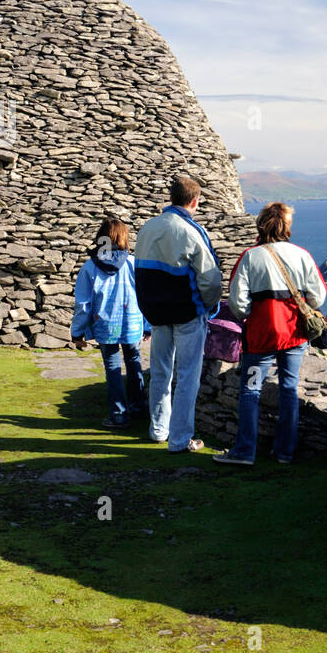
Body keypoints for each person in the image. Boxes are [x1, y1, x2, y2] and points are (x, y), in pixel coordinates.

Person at [215, 201, 326, 466]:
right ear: (287, 226)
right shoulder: (302, 255)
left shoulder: (251, 256)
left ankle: (244, 452)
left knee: (251, 390)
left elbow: (237, 303)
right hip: (295, 335)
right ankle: (285, 452)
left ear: (261, 224)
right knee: (289, 388)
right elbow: (318, 297)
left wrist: (250, 315)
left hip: (261, 337)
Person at [133, 175, 222, 453]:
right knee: (187, 376)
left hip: (156, 313)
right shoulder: (192, 231)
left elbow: (139, 272)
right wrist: (208, 307)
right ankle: (181, 439)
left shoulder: (147, 228)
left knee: (160, 372)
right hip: (187, 313)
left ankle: (158, 429)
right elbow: (211, 280)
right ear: (194, 201)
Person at [71, 217, 150, 428]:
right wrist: (148, 324)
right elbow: (145, 295)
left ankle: (119, 415)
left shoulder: (90, 267)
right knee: (134, 362)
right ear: (124, 238)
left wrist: (77, 332)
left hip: (106, 324)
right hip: (132, 322)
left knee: (113, 366)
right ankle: (139, 407)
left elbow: (84, 304)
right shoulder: (134, 264)